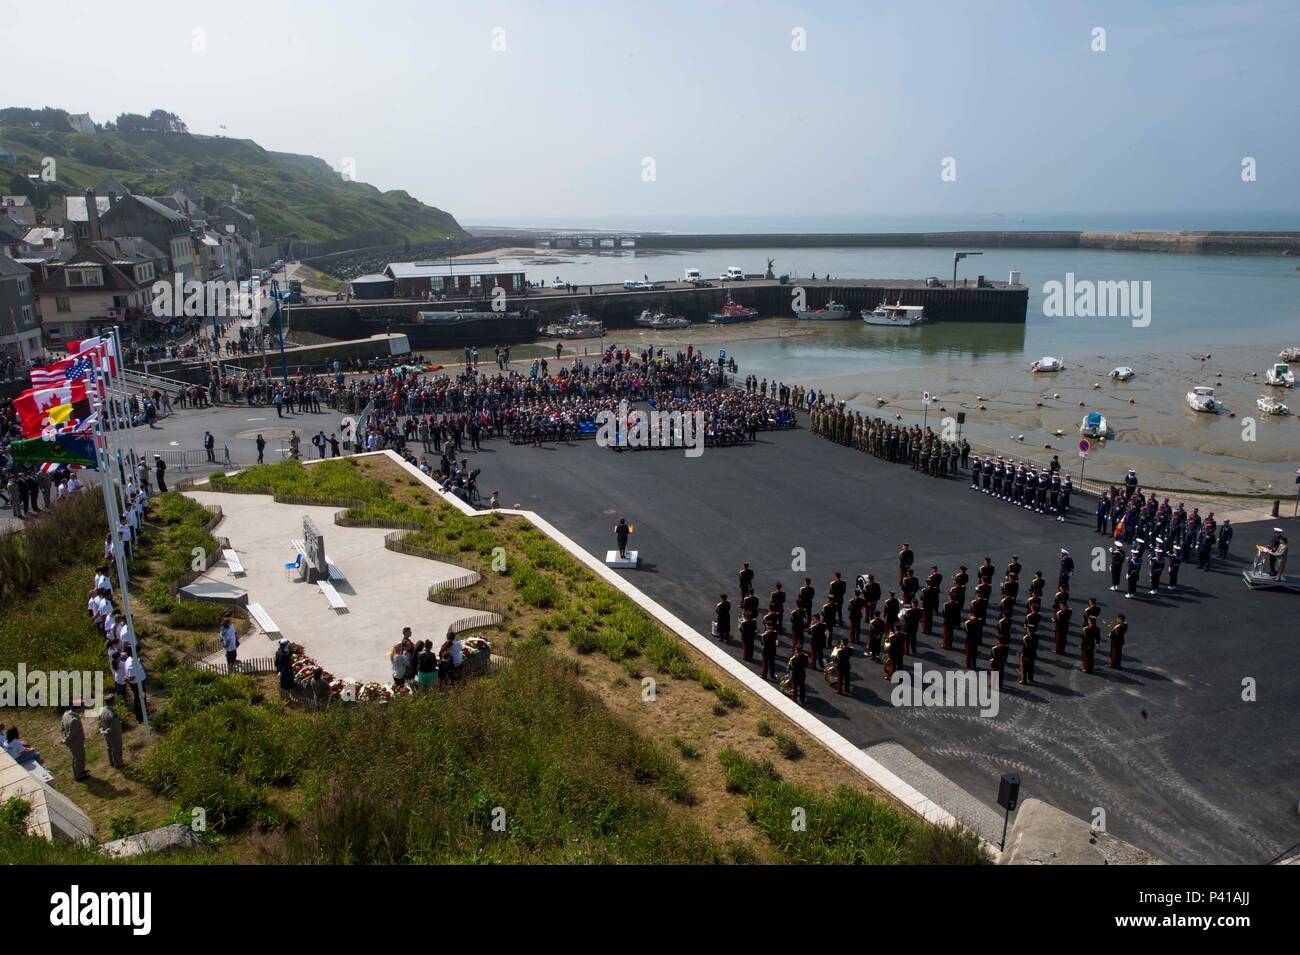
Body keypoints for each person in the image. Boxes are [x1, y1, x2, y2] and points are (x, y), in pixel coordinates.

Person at [60, 702, 89, 781]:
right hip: (76, 742)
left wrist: (64, 737)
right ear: (78, 708)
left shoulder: (65, 715)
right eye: (82, 708)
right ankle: (79, 775)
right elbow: (72, 733)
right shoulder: (74, 720)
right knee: (79, 758)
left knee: (76, 757)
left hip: (72, 742)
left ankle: (79, 771)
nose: (82, 710)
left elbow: (62, 728)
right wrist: (65, 740)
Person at [97, 703, 125, 769]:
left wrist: (103, 731)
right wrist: (107, 731)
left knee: (109, 747)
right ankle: (118, 763)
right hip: (114, 733)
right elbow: (114, 726)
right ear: (113, 701)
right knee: (116, 748)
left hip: (106, 733)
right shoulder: (113, 713)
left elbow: (100, 722)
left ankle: (112, 762)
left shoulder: (102, 710)